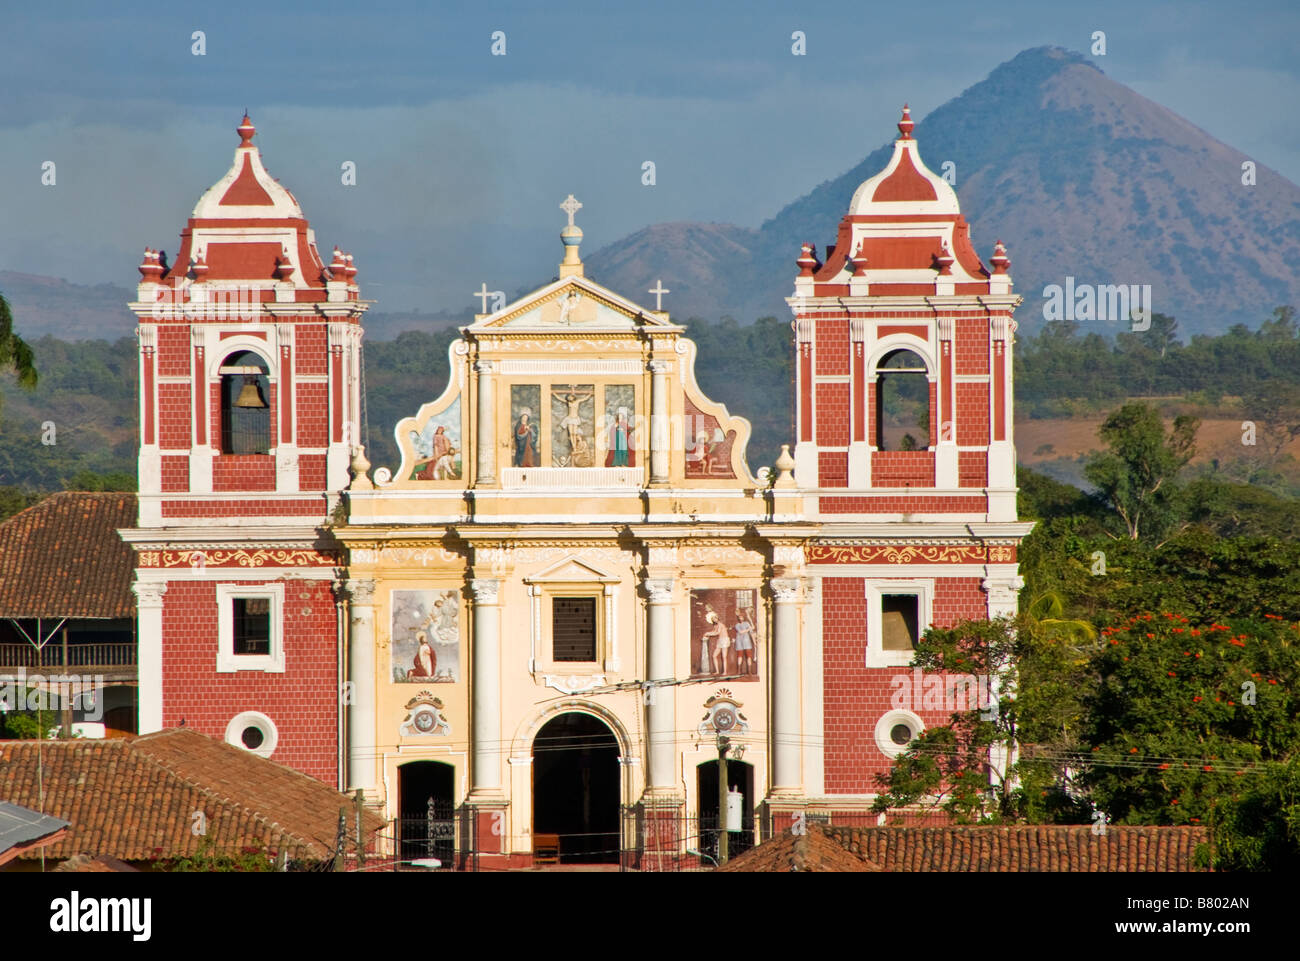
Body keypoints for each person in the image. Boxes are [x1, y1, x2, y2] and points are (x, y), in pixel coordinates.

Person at [733, 608, 756, 675]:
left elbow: (751, 632)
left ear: (744, 617)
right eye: (739, 617)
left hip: (747, 641)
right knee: (739, 656)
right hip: (739, 642)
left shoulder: (747, 623)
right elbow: (740, 632)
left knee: (749, 656)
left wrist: (754, 642)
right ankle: (739, 671)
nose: (740, 618)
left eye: (742, 617)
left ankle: (749, 671)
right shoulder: (737, 625)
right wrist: (749, 628)